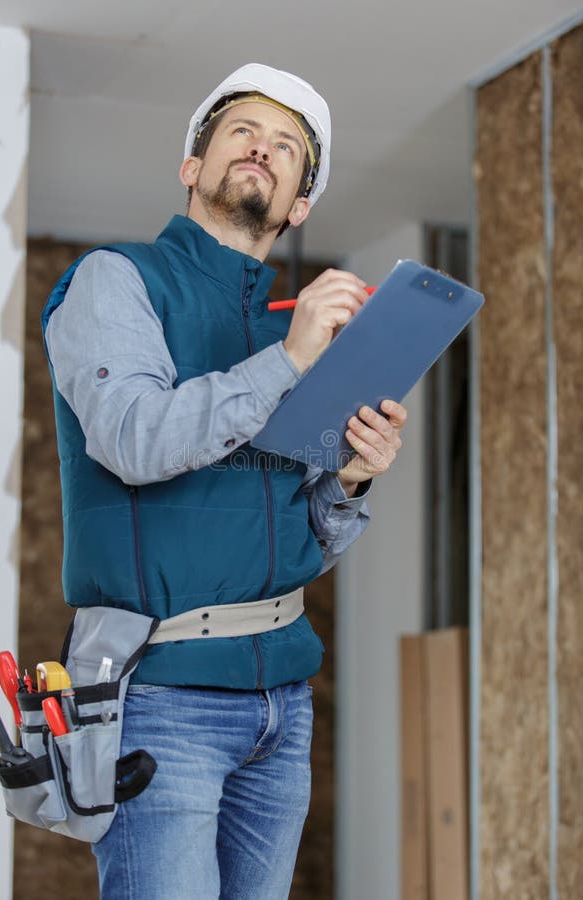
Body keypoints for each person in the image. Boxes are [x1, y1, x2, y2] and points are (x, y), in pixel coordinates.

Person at [41, 63, 407, 900]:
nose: (263, 150)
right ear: (192, 166)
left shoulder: (291, 325)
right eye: (242, 130)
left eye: (287, 149)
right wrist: (290, 362)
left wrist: (350, 481)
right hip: (162, 696)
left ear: (298, 205)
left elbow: (295, 537)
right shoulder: (118, 280)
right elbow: (133, 439)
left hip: (281, 698)